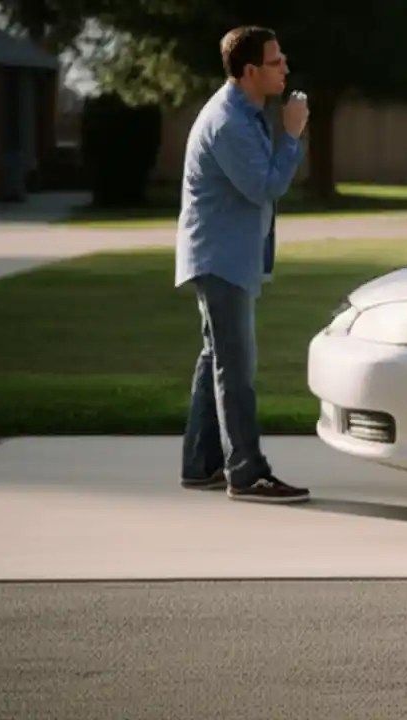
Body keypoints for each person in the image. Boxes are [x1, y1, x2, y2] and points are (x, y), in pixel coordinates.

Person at [174, 26, 310, 503]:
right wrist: (292, 135)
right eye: (275, 61)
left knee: (217, 356)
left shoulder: (244, 112)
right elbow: (265, 186)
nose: (285, 67)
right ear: (249, 71)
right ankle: (247, 473)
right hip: (220, 259)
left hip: (222, 256)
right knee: (236, 367)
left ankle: (200, 463)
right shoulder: (229, 121)